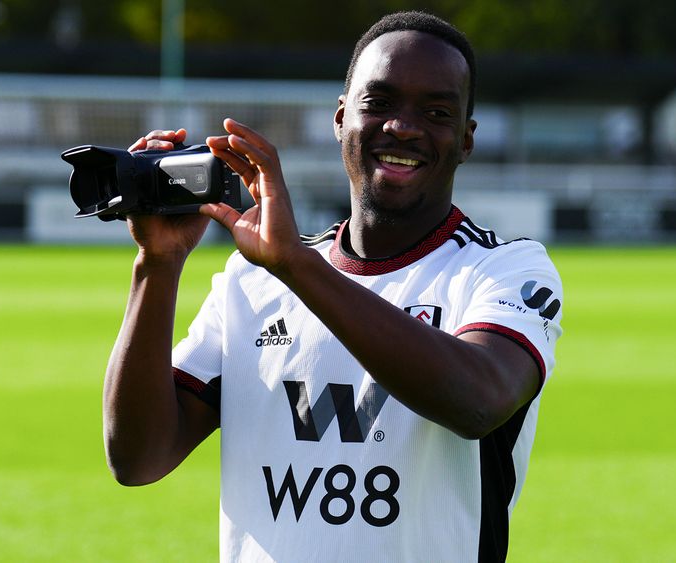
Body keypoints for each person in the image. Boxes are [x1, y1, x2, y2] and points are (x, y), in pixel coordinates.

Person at [104, 10, 563, 562]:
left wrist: (296, 265)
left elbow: (477, 402)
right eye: (379, 103)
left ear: (465, 140)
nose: (403, 126)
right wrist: (158, 262)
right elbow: (137, 458)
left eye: (437, 111)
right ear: (342, 118)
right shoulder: (251, 281)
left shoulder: (506, 270)